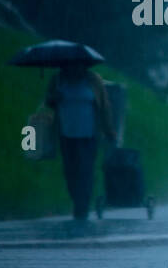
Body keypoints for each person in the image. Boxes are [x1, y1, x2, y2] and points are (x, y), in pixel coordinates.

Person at [45, 62, 116, 220]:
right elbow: (48, 101)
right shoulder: (58, 80)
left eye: (77, 65)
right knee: (70, 172)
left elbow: (104, 105)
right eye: (70, 66)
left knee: (85, 171)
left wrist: (109, 129)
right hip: (66, 133)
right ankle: (78, 200)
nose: (73, 68)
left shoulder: (93, 80)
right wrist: (54, 98)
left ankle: (81, 207)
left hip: (89, 135)